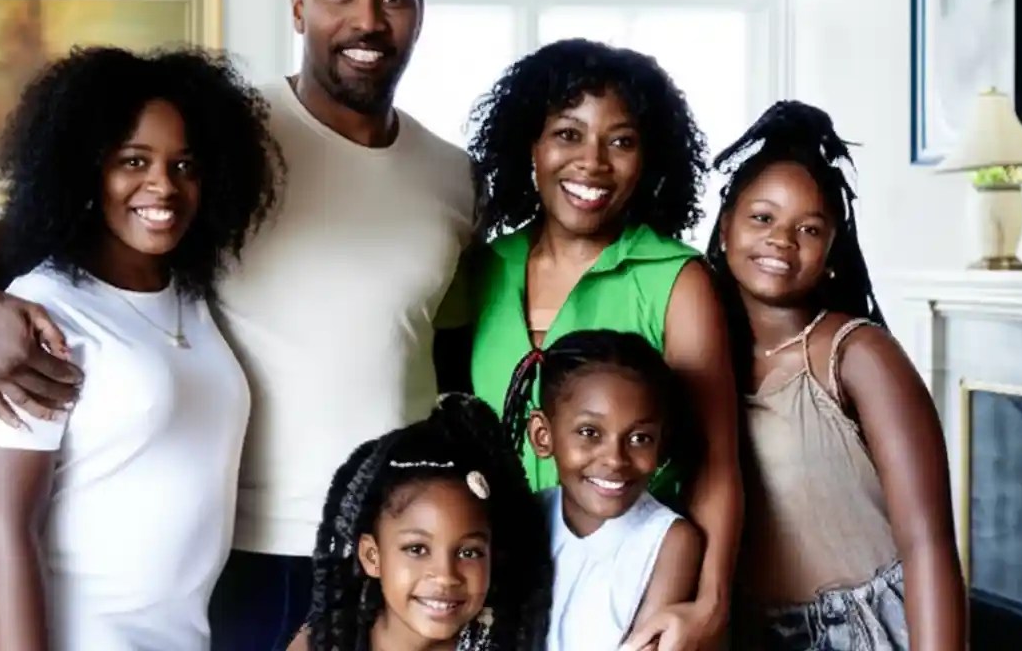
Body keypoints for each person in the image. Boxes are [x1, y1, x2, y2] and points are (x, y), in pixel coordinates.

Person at [0, 0, 475, 648]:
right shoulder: (231, 134)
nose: (367, 21)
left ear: (419, 13)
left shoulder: (452, 178)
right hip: (244, 561)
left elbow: (446, 345)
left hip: (379, 549)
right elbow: (31, 227)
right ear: (298, 6)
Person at [0, 46, 275, 650]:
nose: (164, 185)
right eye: (134, 160)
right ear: (87, 170)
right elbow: (4, 526)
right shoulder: (40, 308)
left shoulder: (190, 293)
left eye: (185, 165)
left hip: (178, 636)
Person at [464, 38, 741, 649]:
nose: (592, 162)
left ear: (649, 160)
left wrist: (710, 603)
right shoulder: (482, 269)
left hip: (637, 587)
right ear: (530, 147)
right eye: (567, 134)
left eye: (621, 141)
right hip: (506, 589)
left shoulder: (676, 279)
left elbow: (716, 462)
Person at [704, 101, 965, 649]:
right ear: (726, 227)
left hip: (868, 629)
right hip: (750, 630)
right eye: (762, 217)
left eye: (809, 227)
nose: (782, 239)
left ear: (830, 254)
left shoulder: (857, 355)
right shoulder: (705, 357)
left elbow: (930, 544)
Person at [288, 393, 551, 651]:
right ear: (372, 556)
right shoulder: (323, 644)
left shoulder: (502, 642)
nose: (446, 576)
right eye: (417, 549)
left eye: (469, 552)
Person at [501, 330, 703, 651]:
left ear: (661, 443)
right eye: (590, 432)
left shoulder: (669, 542)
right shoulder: (526, 518)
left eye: (640, 438)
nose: (614, 459)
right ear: (542, 436)